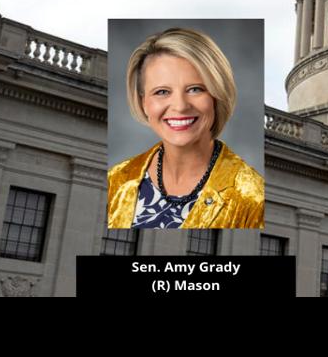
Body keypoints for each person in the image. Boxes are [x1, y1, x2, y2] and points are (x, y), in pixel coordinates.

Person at [107, 27, 265, 228]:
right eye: (162, 91)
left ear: (216, 96)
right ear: (144, 102)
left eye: (195, 89)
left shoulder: (253, 197)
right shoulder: (115, 181)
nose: (180, 106)